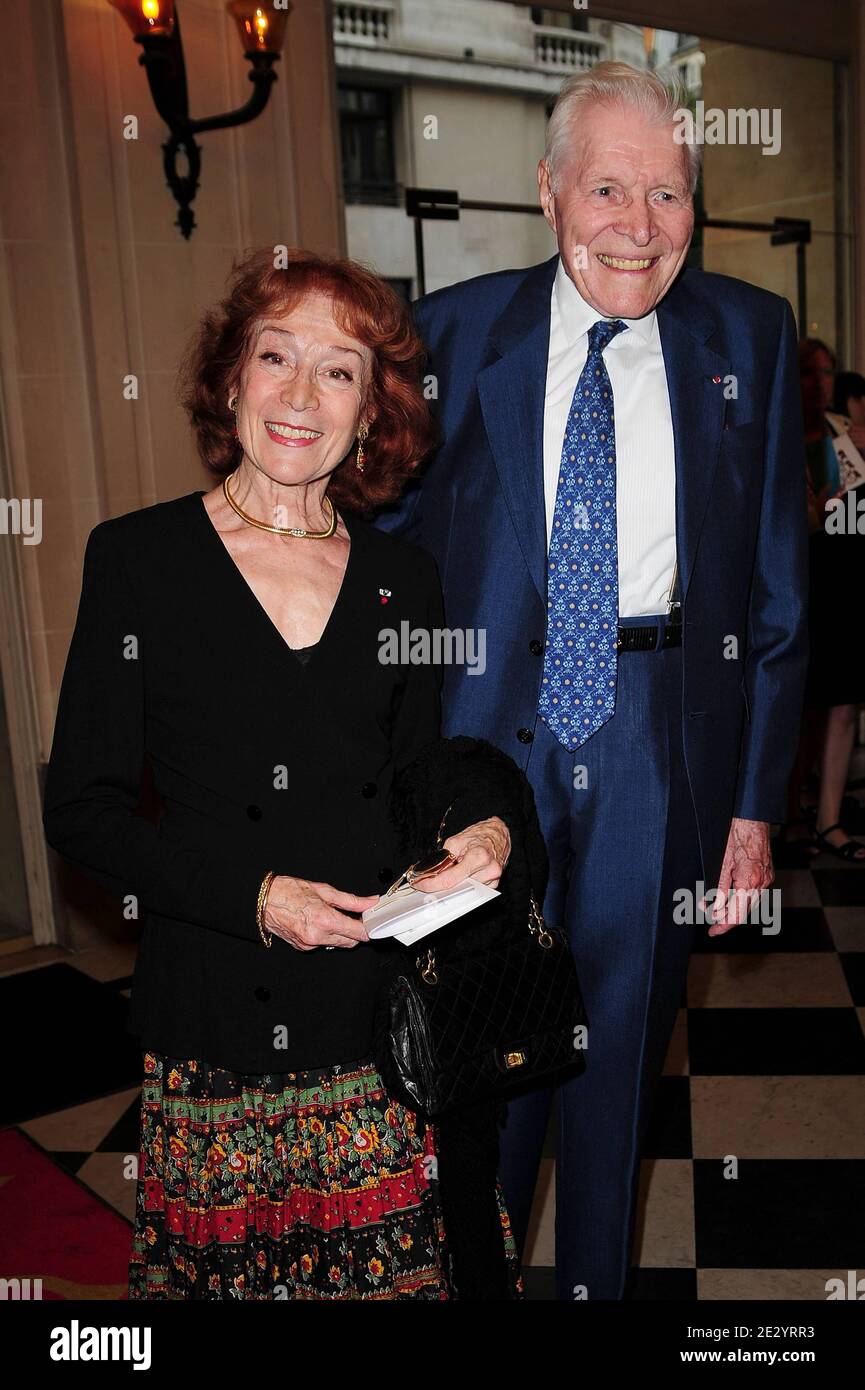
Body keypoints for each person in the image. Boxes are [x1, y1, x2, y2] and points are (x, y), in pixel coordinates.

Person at [378, 62, 809, 1299]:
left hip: (655, 750)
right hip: (482, 749)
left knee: (615, 1071)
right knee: (481, 1063)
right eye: (607, 187)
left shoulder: (748, 338)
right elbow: (379, 550)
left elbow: (781, 595)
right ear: (549, 193)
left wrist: (753, 806)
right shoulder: (451, 336)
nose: (637, 222)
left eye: (666, 193)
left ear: (695, 208)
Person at [42, 248, 526, 1300]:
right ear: (230, 380)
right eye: (276, 357)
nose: (302, 396)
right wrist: (258, 898)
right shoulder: (138, 562)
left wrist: (482, 825)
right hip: (220, 1020)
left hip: (380, 1020)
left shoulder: (406, 581)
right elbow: (81, 807)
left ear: (371, 412)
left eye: (339, 370)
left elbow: (422, 767)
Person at [787, 342, 865, 861]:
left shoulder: (847, 434)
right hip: (794, 583)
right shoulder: (777, 431)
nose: (819, 382)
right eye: (809, 373)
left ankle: (829, 818)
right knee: (797, 707)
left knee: (841, 705)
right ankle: (787, 814)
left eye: (827, 373)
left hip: (844, 581)